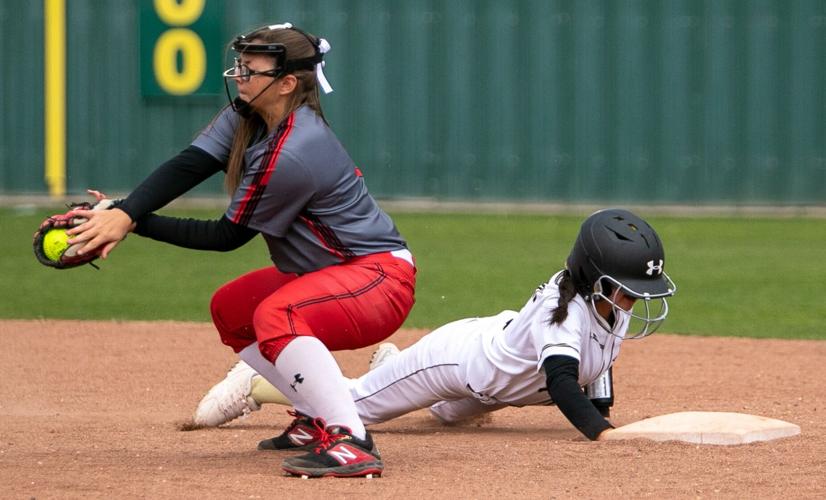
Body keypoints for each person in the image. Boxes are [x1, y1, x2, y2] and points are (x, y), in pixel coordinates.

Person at [65, 23, 416, 479]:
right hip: (330, 275)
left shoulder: (293, 148)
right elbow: (191, 164)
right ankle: (317, 421)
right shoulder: (250, 115)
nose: (239, 76)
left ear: (287, 83)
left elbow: (226, 237)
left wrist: (132, 223)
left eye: (250, 69)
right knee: (233, 308)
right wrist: (126, 211)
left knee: (277, 316)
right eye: (240, 66)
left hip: (377, 281)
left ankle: (352, 440)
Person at [194, 208, 677, 452]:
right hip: (457, 362)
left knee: (448, 417)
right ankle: (255, 382)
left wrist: (604, 410)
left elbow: (602, 364)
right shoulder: (564, 313)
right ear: (595, 275)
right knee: (357, 406)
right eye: (628, 285)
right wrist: (602, 433)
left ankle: (393, 365)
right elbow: (563, 381)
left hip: (495, 384)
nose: (635, 296)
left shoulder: (607, 297)